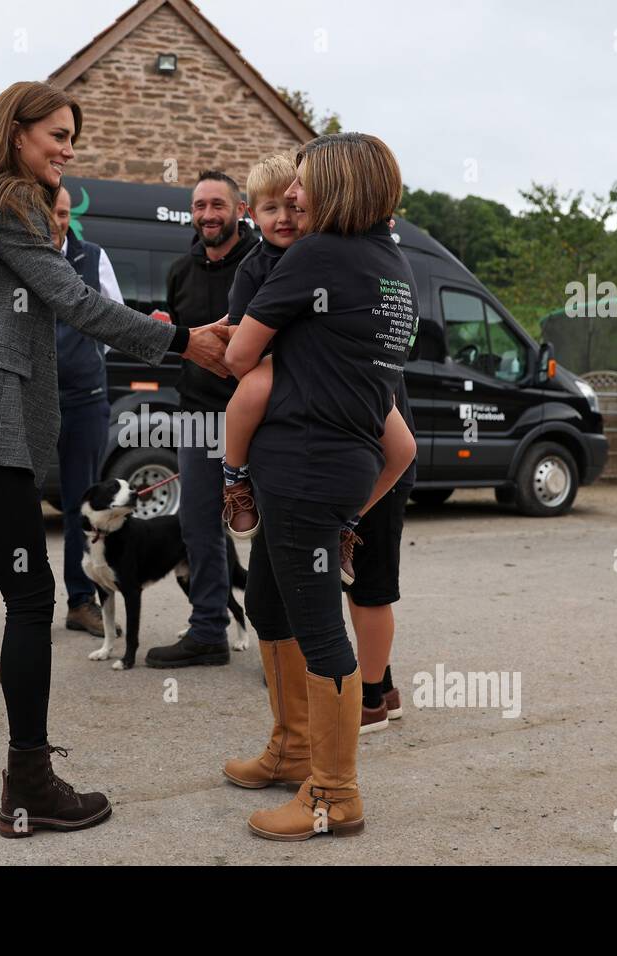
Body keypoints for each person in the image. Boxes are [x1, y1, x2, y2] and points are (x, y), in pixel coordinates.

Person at [0, 81, 233, 834]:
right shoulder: (8, 203)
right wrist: (184, 340)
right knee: (32, 597)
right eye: (58, 135)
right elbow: (76, 301)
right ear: (16, 133)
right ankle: (30, 784)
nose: (68, 149)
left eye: (74, 137)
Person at [220, 132, 418, 841]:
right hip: (341, 464)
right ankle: (292, 748)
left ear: (337, 184)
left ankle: (334, 793)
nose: (294, 196)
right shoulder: (392, 264)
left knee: (317, 628)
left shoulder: (318, 253)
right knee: (270, 601)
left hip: (304, 466)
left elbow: (242, 354)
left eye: (304, 183)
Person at [144, 170, 258, 669]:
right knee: (196, 525)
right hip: (197, 415)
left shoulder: (262, 265)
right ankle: (208, 630)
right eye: (199, 206)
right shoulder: (179, 270)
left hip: (256, 414)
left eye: (218, 204)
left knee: (271, 528)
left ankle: (281, 645)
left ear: (240, 209)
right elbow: (188, 343)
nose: (208, 214)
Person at [51, 185, 126, 637]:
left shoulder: (91, 256)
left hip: (84, 398)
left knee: (84, 505)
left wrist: (83, 351)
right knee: (16, 504)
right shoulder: (22, 258)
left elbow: (115, 319)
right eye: (50, 212)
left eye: (63, 213)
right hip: (30, 400)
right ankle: (26, 602)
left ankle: (81, 602)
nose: (58, 220)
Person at [214, 154, 299, 542]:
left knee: (402, 444)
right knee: (251, 392)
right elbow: (236, 335)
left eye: (293, 206)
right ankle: (235, 477)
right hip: (272, 359)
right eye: (271, 208)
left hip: (326, 360)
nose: (284, 217)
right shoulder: (253, 268)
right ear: (250, 213)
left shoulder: (323, 249)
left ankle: (350, 521)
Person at [347, 375, 416, 733]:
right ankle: (384, 688)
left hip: (381, 471)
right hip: (374, 467)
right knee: (360, 587)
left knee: (372, 590)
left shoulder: (371, 333)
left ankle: (371, 704)